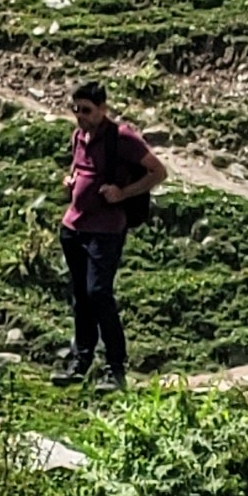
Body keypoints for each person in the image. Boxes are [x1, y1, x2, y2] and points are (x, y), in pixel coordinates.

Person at [52, 77, 165, 388]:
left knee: (98, 293)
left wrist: (123, 192)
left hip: (106, 230)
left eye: (86, 109)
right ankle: (81, 358)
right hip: (74, 226)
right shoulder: (79, 136)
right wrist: (70, 181)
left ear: (103, 108)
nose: (80, 115)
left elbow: (159, 171)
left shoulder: (122, 138)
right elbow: (80, 169)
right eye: (76, 109)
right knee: (80, 295)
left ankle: (115, 366)